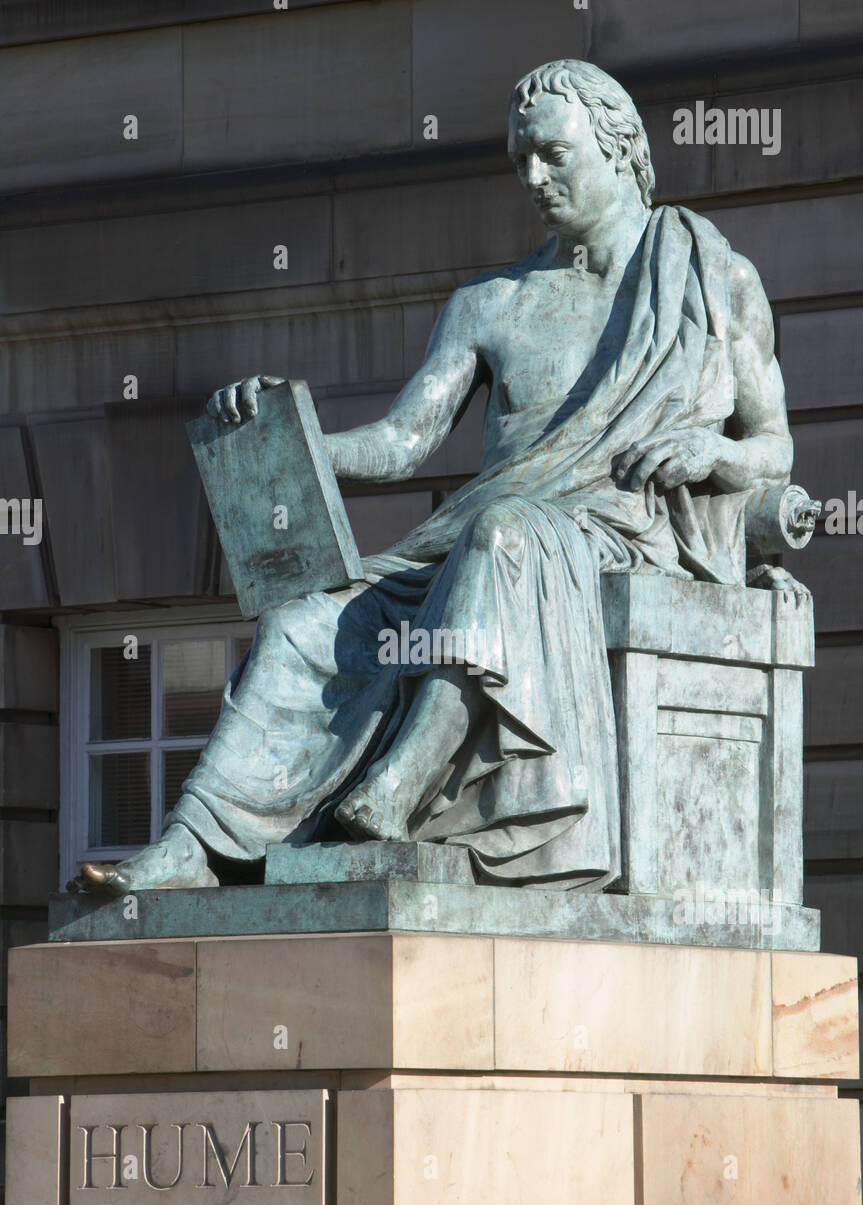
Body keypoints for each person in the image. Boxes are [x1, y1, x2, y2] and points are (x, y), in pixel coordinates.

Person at [71, 58, 799, 897]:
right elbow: (401, 442)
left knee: (504, 538)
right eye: (519, 160)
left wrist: (715, 456)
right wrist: (286, 434)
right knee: (305, 622)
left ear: (621, 144)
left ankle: (396, 793)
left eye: (553, 154)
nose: (533, 177)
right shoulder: (490, 302)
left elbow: (772, 447)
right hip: (480, 541)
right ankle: (197, 846)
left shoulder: (709, 279)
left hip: (618, 535)